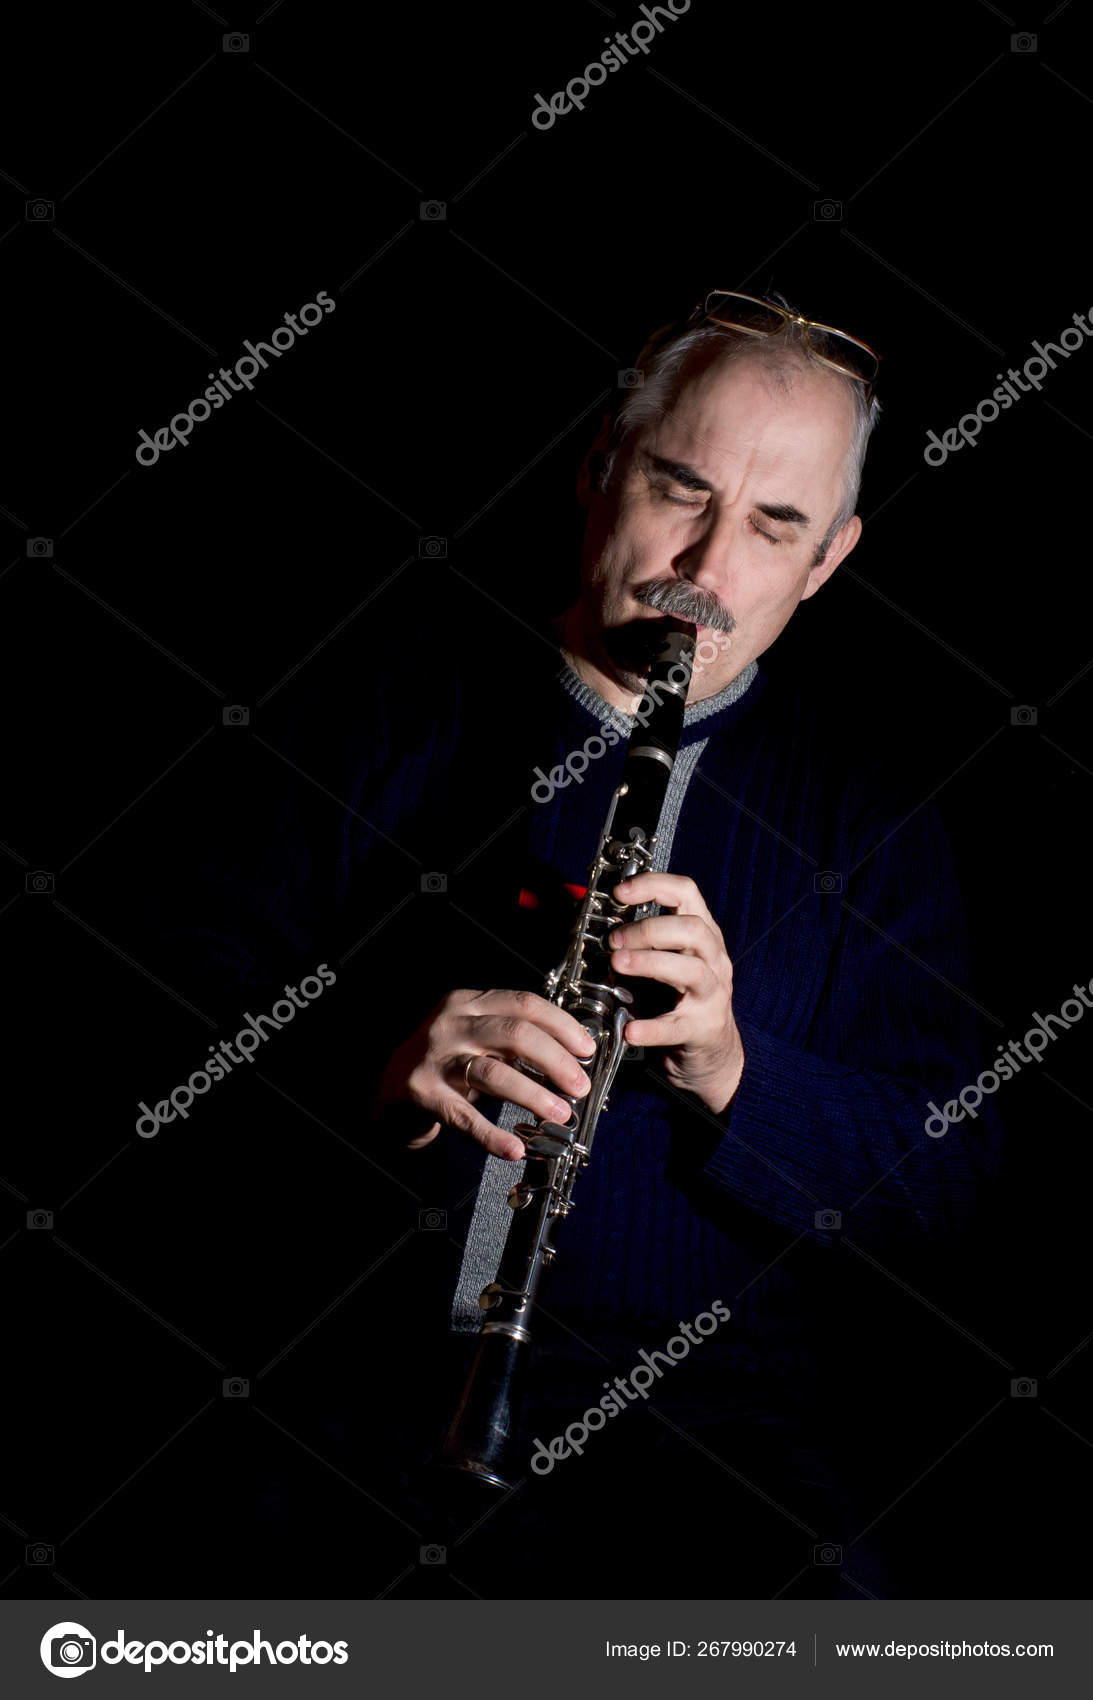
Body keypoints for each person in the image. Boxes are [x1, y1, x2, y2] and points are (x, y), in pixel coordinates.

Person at [212, 290, 1002, 1599]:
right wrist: (369, 1060)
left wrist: (738, 1076)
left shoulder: (869, 819)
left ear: (828, 562)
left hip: (707, 1438)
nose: (707, 560)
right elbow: (141, 1020)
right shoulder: (370, 707)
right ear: (599, 468)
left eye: (773, 526)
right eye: (677, 486)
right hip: (340, 1382)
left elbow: (952, 1184)